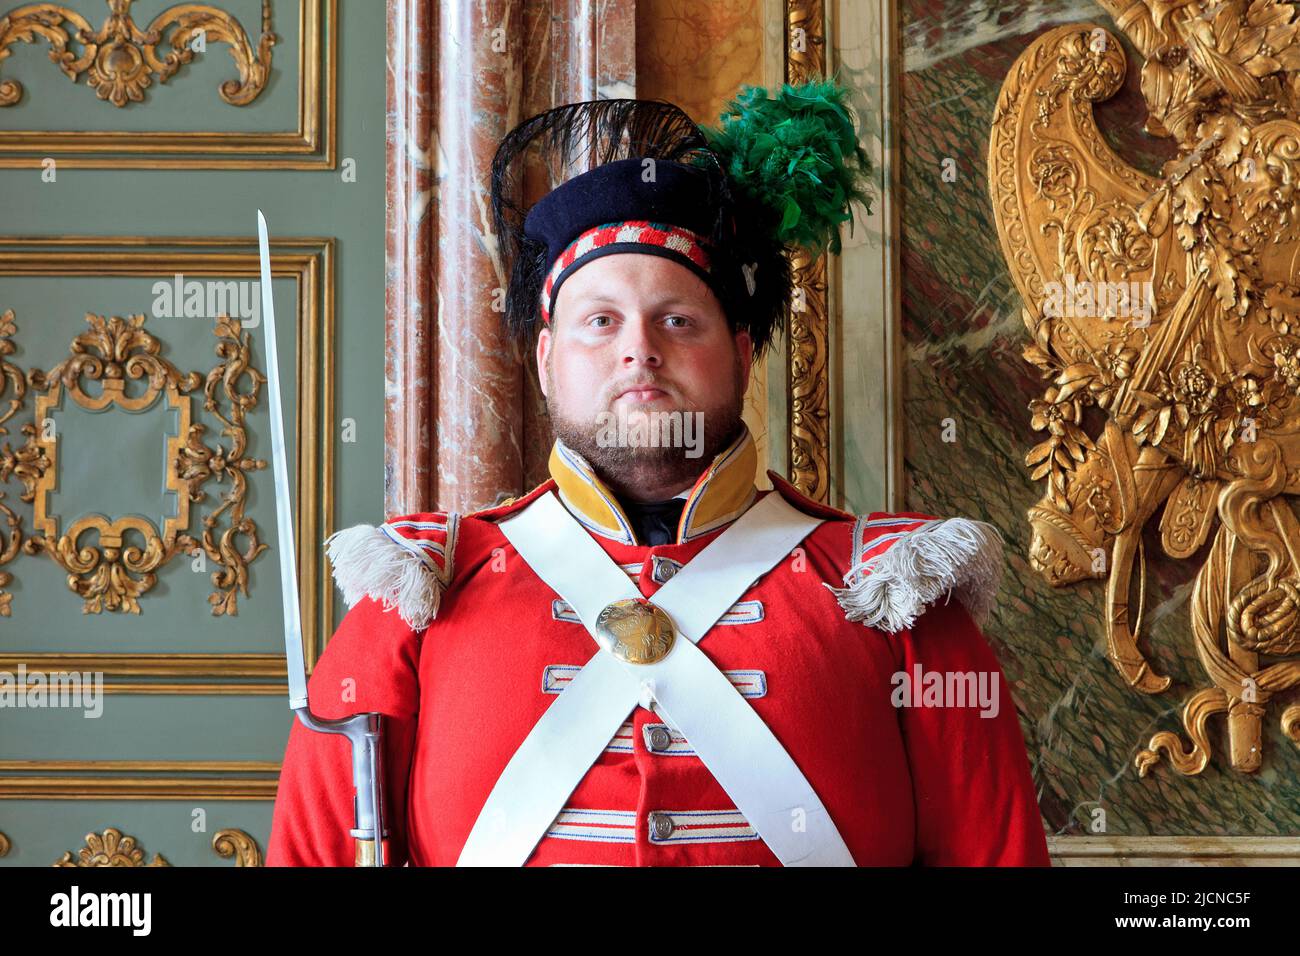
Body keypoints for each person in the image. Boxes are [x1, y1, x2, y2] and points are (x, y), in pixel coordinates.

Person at [267, 81, 1050, 867]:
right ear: (546, 360)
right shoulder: (418, 591)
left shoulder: (896, 596)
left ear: (742, 355)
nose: (639, 349)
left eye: (677, 319)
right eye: (599, 321)